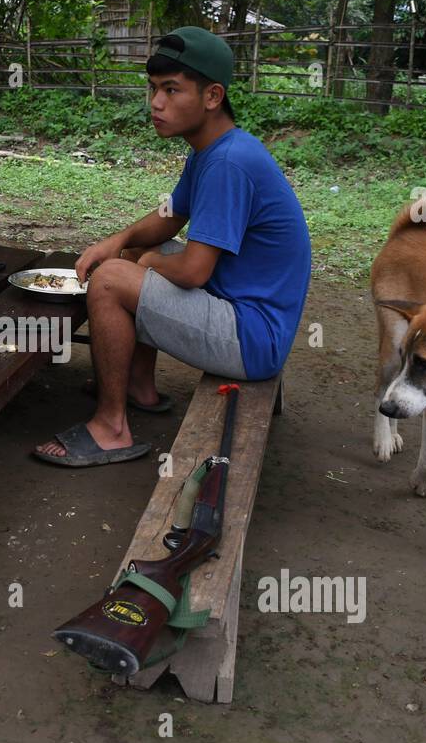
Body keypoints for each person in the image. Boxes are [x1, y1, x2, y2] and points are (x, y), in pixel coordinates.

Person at [34, 26, 311, 467]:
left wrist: (142, 265)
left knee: (109, 282)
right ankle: (139, 385)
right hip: (244, 315)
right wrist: (120, 240)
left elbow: (193, 272)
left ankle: (110, 429)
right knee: (125, 258)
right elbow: (170, 217)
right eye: (152, 89)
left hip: (251, 338)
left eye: (171, 90)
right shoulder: (213, 150)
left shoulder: (228, 163)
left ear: (212, 96)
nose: (156, 103)